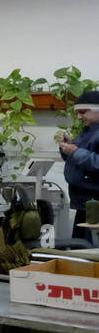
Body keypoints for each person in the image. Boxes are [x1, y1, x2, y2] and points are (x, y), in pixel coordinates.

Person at [59, 90, 99, 243]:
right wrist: (68, 148)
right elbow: (77, 158)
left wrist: (76, 152)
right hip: (84, 204)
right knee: (78, 248)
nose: (79, 117)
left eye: (83, 112)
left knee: (91, 251)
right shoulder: (88, 130)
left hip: (95, 205)